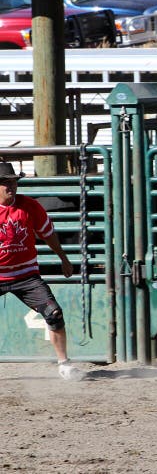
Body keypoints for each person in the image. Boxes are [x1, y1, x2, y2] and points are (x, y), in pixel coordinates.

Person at [0, 162, 83, 381]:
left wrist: (63, 258)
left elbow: (48, 234)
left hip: (25, 274)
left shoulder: (30, 207)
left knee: (54, 313)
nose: (11, 186)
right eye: (5, 183)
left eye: (13, 182)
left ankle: (64, 364)